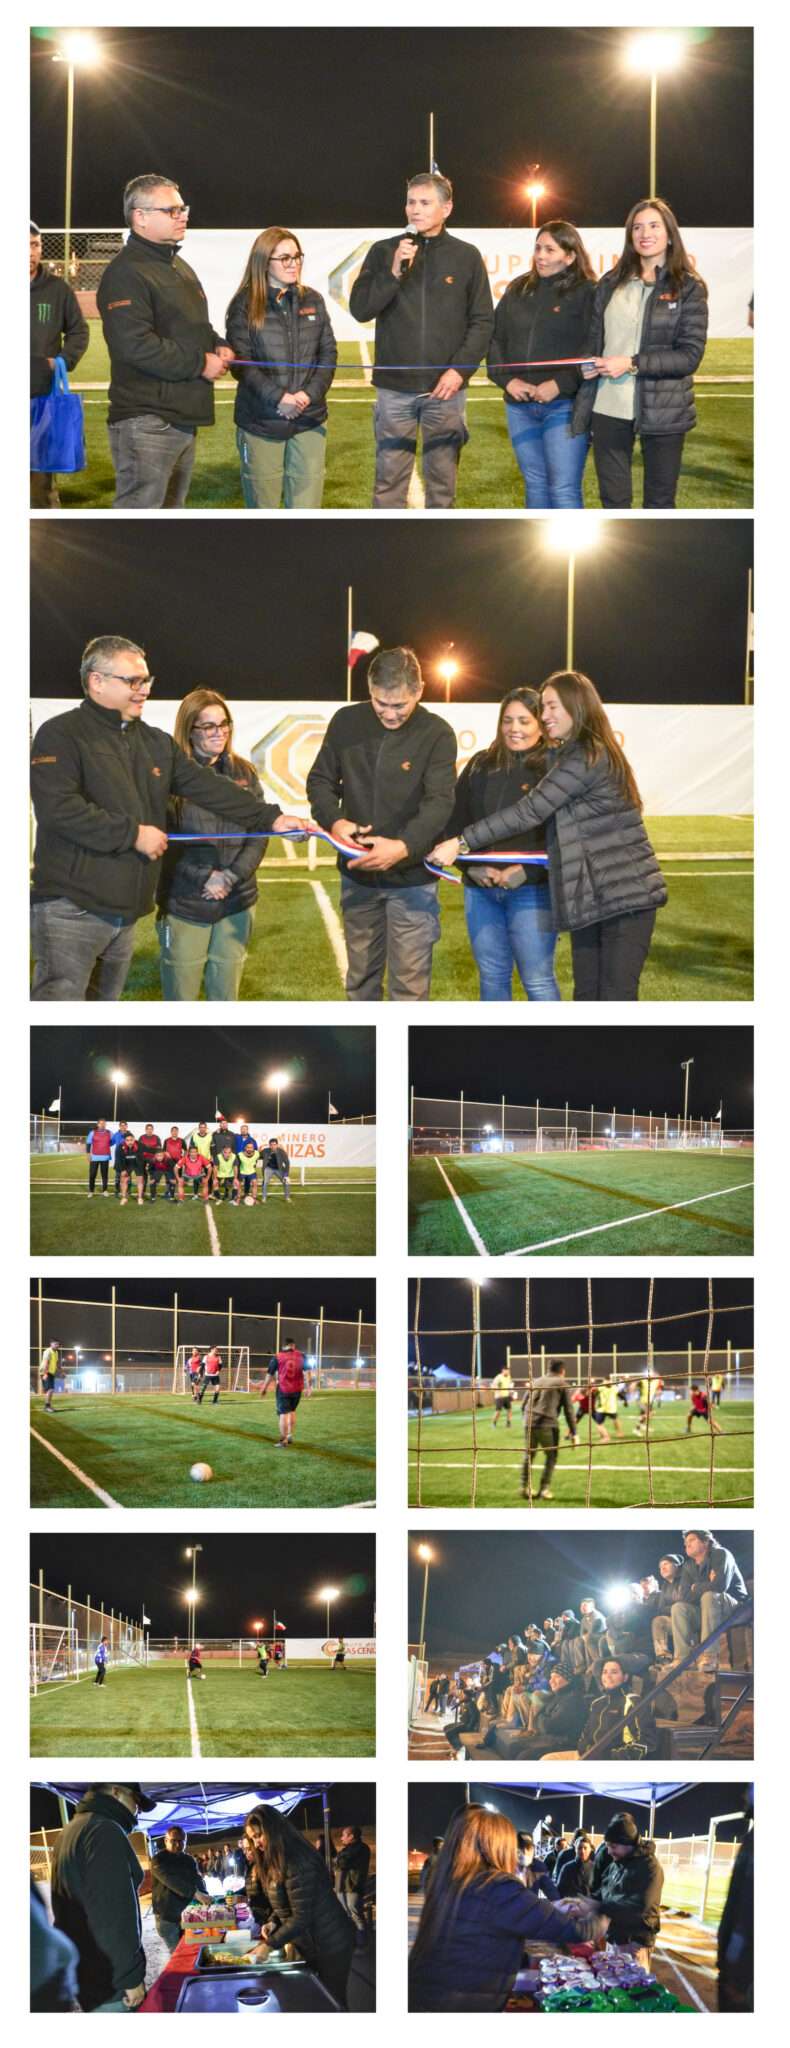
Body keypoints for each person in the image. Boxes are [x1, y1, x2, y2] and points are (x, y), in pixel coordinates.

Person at [30, 636, 303, 1000]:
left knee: (98, 1016)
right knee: (56, 1020)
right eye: (133, 681)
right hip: (71, 911)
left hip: (124, 914)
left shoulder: (155, 743)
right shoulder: (60, 734)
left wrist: (271, 818)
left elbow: (208, 786)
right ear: (96, 681)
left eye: (146, 681)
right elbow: (58, 809)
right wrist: (133, 835)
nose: (143, 690)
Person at [430, 669, 667, 1001]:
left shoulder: (588, 754)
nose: (545, 716)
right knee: (586, 996)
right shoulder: (566, 755)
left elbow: (531, 811)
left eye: (552, 707)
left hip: (624, 897)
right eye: (543, 708)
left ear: (577, 705)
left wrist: (460, 843)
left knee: (615, 998)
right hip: (590, 896)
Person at [306, 645, 456, 1000]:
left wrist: (402, 848)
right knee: (360, 983)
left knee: (409, 989)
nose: (389, 714)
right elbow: (320, 781)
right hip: (357, 878)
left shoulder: (438, 733)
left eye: (399, 705)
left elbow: (440, 803)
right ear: (369, 691)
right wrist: (336, 821)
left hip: (413, 882)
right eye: (379, 703)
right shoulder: (346, 721)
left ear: (419, 691)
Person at [349, 172, 493, 508]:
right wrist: (394, 271)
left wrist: (459, 371)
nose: (415, 209)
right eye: (411, 201)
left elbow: (483, 321)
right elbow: (360, 309)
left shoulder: (467, 256)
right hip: (394, 390)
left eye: (425, 202)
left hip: (445, 392)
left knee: (442, 488)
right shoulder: (384, 251)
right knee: (388, 486)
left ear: (447, 208)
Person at [96, 175, 234, 507]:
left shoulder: (177, 265)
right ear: (140, 216)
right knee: (138, 521)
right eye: (172, 210)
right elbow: (135, 345)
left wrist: (216, 343)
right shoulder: (125, 273)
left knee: (169, 519)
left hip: (180, 414)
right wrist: (201, 362)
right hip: (148, 420)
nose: (183, 215)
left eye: (182, 208)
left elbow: (188, 327)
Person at [573, 197, 708, 509]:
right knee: (613, 502)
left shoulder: (688, 287)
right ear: (629, 235)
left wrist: (631, 363)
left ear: (670, 234)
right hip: (608, 408)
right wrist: (588, 364)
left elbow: (689, 356)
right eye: (637, 227)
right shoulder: (609, 283)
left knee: (660, 503)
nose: (644, 233)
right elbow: (594, 341)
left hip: (664, 412)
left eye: (653, 225)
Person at [408, 1804, 587, 2012]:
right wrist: (602, 1914)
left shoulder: (447, 1879)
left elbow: (478, 1936)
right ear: (496, 1846)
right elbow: (565, 1928)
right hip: (460, 2002)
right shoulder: (496, 1884)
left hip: (424, 1993)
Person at [446, 689, 560, 1001]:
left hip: (532, 893)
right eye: (508, 720)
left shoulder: (554, 768)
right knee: (493, 978)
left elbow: (563, 837)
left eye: (524, 720)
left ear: (540, 724)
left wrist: (528, 872)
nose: (515, 728)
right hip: (480, 893)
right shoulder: (480, 764)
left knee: (537, 980)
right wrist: (471, 868)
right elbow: (455, 824)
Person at [156, 688, 269, 1000]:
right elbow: (162, 843)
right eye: (208, 726)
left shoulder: (244, 771)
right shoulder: (167, 777)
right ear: (189, 730)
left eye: (224, 724)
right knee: (181, 994)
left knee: (225, 994)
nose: (219, 733)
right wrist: (205, 877)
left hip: (237, 899)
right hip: (185, 901)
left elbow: (259, 833)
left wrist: (230, 876)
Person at [226, 227, 338, 508]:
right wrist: (279, 398)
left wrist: (307, 396)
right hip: (261, 420)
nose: (293, 264)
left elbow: (328, 353)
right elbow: (243, 363)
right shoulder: (244, 305)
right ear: (264, 262)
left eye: (297, 256)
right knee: (263, 509)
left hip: (309, 418)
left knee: (306, 509)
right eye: (284, 258)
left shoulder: (313, 299)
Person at [487, 221, 595, 507]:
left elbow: (594, 349)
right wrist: (507, 380)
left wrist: (559, 384)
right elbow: (494, 339)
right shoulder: (518, 288)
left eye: (550, 249)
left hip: (564, 406)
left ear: (570, 256)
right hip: (519, 407)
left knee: (563, 488)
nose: (541, 255)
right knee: (535, 484)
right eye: (537, 248)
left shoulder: (587, 293)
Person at [50, 1782, 155, 2011]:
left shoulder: (70, 1831)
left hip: (86, 1972)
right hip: (110, 1979)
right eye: (135, 1801)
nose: (136, 1810)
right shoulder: (104, 1830)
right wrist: (129, 1977)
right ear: (115, 1791)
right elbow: (114, 1912)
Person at [245, 1803, 354, 2008]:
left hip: (332, 1942)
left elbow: (302, 1915)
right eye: (252, 1838)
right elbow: (288, 1903)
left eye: (259, 1835)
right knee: (318, 2000)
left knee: (332, 2001)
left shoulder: (298, 1860)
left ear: (274, 1830)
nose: (256, 1842)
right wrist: (273, 1921)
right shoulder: (276, 1858)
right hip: (313, 1942)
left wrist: (268, 1945)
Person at [30, 221, 89, 508]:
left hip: (40, 396)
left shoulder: (57, 289)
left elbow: (78, 330)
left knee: (39, 481)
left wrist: (63, 361)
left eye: (34, 245)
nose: (29, 252)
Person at [590, 1813, 664, 1967]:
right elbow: (604, 1891)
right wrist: (584, 1902)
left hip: (634, 1944)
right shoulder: (617, 1864)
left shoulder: (649, 1867)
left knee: (633, 1989)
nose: (609, 1851)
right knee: (614, 1987)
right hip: (615, 1938)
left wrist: (598, 1906)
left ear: (627, 1843)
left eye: (613, 1846)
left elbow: (638, 1906)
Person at [670, 1529, 749, 1672]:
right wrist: (708, 1584)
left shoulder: (721, 1553)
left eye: (692, 1540)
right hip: (706, 1608)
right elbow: (685, 1596)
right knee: (678, 1607)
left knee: (709, 1596)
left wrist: (696, 1587)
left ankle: (709, 1656)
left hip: (735, 1607)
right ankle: (683, 1659)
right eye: (685, 1542)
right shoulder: (688, 1566)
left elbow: (720, 1586)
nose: (687, 1544)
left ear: (705, 1541)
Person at [576, 1658, 659, 1761]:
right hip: (590, 1758)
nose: (608, 1676)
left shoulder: (634, 1701)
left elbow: (646, 1742)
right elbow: (585, 1735)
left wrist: (608, 1757)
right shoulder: (597, 1703)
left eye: (614, 1672)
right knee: (552, 1758)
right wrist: (585, 1751)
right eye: (604, 1672)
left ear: (625, 1677)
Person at [520, 1360, 579, 1502]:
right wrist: (574, 1433)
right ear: (562, 1371)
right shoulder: (562, 1383)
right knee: (551, 1457)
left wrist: (528, 1420)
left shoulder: (537, 1381)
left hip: (529, 1423)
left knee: (529, 1455)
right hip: (547, 1424)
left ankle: (524, 1487)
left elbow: (523, 1405)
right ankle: (544, 1489)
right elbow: (569, 1411)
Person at [717, 1789, 753, 2011]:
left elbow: (750, 1912)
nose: (744, 1794)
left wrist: (737, 1974)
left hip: (743, 1973)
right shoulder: (752, 1838)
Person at [150, 1825, 207, 1955]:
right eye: (173, 1840)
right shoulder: (158, 1860)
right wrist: (195, 1893)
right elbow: (172, 1881)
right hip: (167, 1917)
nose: (177, 1844)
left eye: (181, 1841)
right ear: (166, 1840)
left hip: (187, 1914)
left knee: (193, 1949)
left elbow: (197, 1879)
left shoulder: (189, 1860)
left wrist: (205, 1894)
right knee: (178, 1954)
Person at [262, 1338, 311, 1447]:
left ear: (284, 1346)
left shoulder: (278, 1356)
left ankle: (283, 1440)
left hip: (284, 1389)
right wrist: (309, 1387)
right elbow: (307, 1372)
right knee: (292, 1411)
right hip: (297, 1389)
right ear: (293, 1345)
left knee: (283, 1414)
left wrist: (264, 1388)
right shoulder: (302, 1356)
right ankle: (289, 1435)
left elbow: (270, 1374)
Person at [335, 1825, 370, 1940]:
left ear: (351, 1836)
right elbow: (338, 1861)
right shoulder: (347, 1849)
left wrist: (338, 1860)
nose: (341, 1838)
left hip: (352, 1886)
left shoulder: (361, 1848)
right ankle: (353, 1939)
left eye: (344, 1835)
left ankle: (362, 1940)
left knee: (355, 1913)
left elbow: (342, 1863)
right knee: (346, 1914)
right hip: (341, 1886)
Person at [556, 1834, 595, 1899]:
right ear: (575, 1850)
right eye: (579, 1848)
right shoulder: (567, 1868)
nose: (582, 1851)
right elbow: (560, 1890)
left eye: (585, 1848)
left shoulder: (595, 1868)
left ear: (590, 1849)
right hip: (571, 1905)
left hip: (589, 1905)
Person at [259, 1138, 292, 1204]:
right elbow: (258, 1156)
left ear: (277, 1145)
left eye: (274, 1144)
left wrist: (286, 1175)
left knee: (286, 1182)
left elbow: (287, 1163)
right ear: (269, 1145)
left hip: (279, 1169)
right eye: (271, 1145)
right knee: (265, 1183)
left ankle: (287, 1197)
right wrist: (258, 1150)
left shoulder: (282, 1152)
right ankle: (264, 1197)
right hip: (268, 1168)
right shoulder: (265, 1151)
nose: (273, 1146)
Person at [85, 1120, 112, 1196]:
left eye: (104, 1124)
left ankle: (105, 1190)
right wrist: (88, 1154)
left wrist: (106, 1145)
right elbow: (88, 1143)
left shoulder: (109, 1132)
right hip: (94, 1157)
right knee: (92, 1174)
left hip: (105, 1157)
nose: (102, 1125)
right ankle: (91, 1191)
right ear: (98, 1124)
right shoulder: (92, 1132)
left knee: (104, 1175)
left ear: (105, 1125)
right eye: (101, 1123)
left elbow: (112, 1141)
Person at [39, 1340, 59, 1412]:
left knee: (51, 1390)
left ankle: (47, 1406)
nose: (57, 1345)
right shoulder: (48, 1351)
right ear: (51, 1344)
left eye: (58, 1344)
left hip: (51, 1373)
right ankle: (47, 1406)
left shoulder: (56, 1352)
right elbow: (46, 1362)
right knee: (50, 1389)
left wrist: (62, 1371)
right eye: (55, 1344)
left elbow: (56, 1363)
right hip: (45, 1372)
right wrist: (45, 1373)